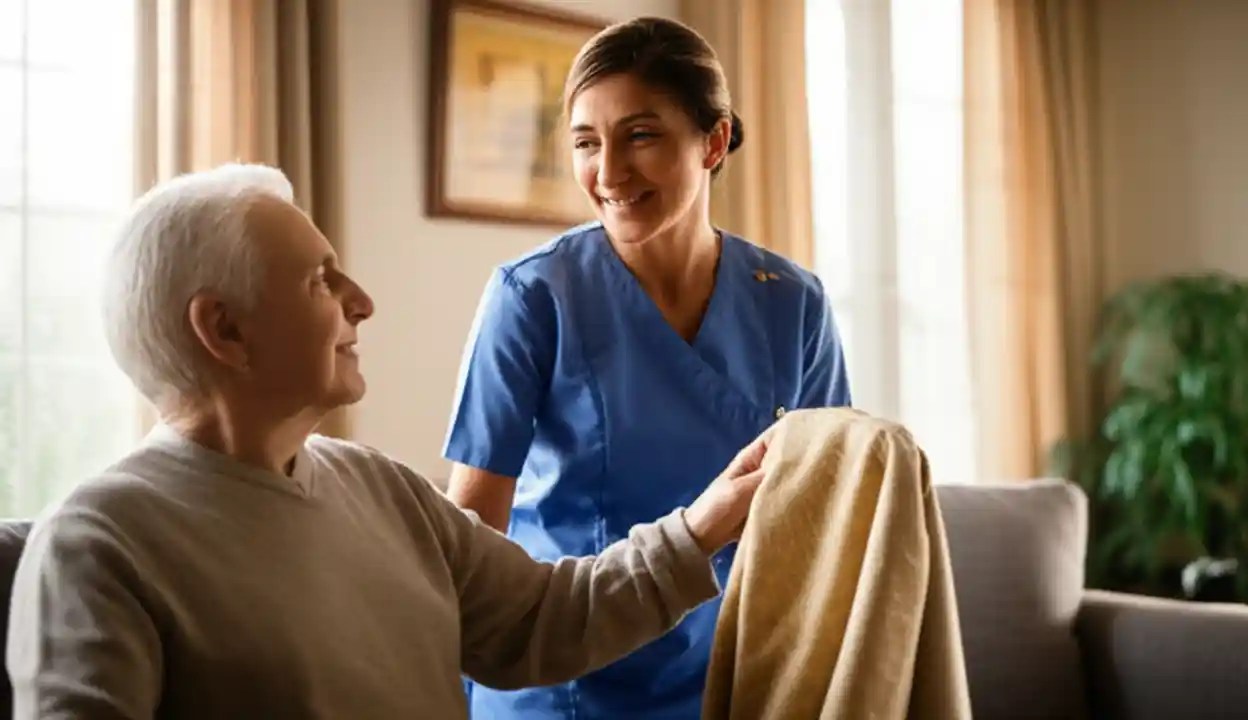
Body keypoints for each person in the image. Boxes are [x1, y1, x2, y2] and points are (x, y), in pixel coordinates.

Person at [4, 163, 774, 720]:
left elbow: (543, 620)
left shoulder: (379, 487)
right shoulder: (99, 545)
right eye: (321, 280)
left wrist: (701, 526)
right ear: (224, 329)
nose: (363, 303)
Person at [443, 16, 852, 720]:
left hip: (726, 680)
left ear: (713, 142)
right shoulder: (533, 296)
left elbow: (827, 516)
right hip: (562, 683)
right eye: (585, 143)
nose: (608, 172)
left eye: (639, 136)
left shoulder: (793, 303)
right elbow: (467, 544)